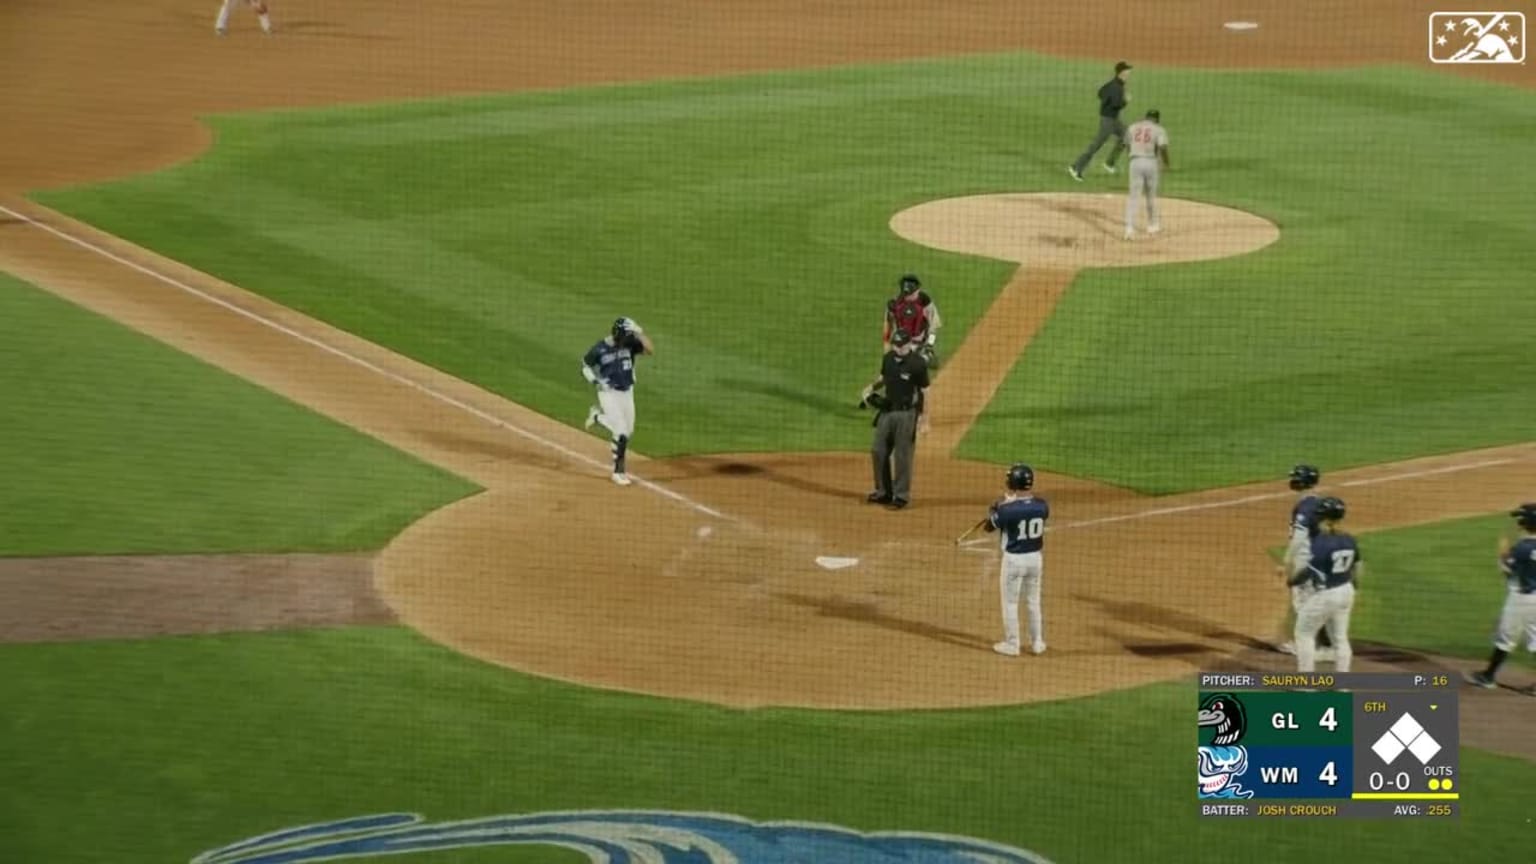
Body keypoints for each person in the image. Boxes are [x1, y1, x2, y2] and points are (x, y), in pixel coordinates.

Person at [1464, 503, 1536, 693]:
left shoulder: (1522, 548)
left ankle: (1487, 677)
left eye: (1520, 519)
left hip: (1521, 599)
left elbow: (1507, 570)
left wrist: (1503, 551)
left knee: (1505, 637)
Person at [1287, 496, 1361, 673]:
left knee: (1303, 633)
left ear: (1324, 518)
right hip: (1347, 591)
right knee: (1340, 639)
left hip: (1327, 594)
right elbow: (1358, 566)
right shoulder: (1349, 539)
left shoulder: (1321, 542)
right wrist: (1354, 587)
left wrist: (1292, 581)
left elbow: (1308, 572)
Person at [985, 463, 1050, 657]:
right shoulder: (1042, 505)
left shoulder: (1007, 510)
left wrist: (997, 507)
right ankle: (1037, 642)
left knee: (1010, 603)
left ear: (1012, 483)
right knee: (1033, 601)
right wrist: (1011, 504)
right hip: (1035, 560)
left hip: (1014, 561)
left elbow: (989, 526)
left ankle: (1012, 644)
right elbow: (1027, 508)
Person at [860, 330, 929, 510]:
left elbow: (925, 391)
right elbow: (884, 378)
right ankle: (883, 492)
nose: (898, 348)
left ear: (909, 344)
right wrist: (871, 388)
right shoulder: (888, 358)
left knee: (902, 455)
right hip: (887, 411)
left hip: (906, 414)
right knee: (878, 450)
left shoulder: (917, 364)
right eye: (895, 345)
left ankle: (901, 496)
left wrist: (924, 418)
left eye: (901, 345)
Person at [582, 317, 654, 486]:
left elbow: (650, 350)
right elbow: (585, 365)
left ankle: (597, 417)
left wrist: (639, 332)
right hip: (608, 393)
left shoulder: (630, 344)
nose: (629, 338)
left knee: (628, 431)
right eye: (627, 335)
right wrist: (595, 381)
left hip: (627, 392)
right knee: (621, 432)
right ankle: (618, 472)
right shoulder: (600, 348)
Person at [1277, 465, 1334, 660]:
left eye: (1295, 478)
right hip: (1319, 558)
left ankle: (1308, 646)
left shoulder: (1305, 507)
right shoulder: (1319, 503)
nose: (1291, 481)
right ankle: (1326, 644)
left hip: (1306, 560)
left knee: (1303, 603)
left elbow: (1299, 538)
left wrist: (1285, 562)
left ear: (1301, 482)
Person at [1068, 61, 1132, 181]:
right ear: (1121, 73)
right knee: (1096, 145)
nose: (1129, 74)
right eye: (1127, 71)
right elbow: (1116, 104)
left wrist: (1105, 103)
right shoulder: (1116, 87)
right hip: (1108, 122)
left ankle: (1109, 163)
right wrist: (1125, 101)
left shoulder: (1113, 84)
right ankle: (1076, 167)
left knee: (1127, 135)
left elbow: (1101, 93)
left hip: (1114, 120)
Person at [1122, 109, 1169, 240]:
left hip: (1135, 162)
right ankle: (1153, 226)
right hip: (1151, 163)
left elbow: (1126, 144)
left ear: (1146, 117)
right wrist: (1166, 163)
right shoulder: (1159, 129)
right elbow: (1163, 147)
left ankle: (1129, 229)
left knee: (1133, 196)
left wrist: (1132, 156)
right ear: (1157, 119)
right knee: (1151, 195)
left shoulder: (1133, 127)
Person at [884, 274, 943, 369]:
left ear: (917, 290)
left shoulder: (925, 301)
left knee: (925, 363)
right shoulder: (894, 304)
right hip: (901, 343)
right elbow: (888, 327)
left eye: (911, 294)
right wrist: (887, 345)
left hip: (920, 344)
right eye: (906, 294)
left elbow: (933, 326)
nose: (908, 297)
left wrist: (929, 345)